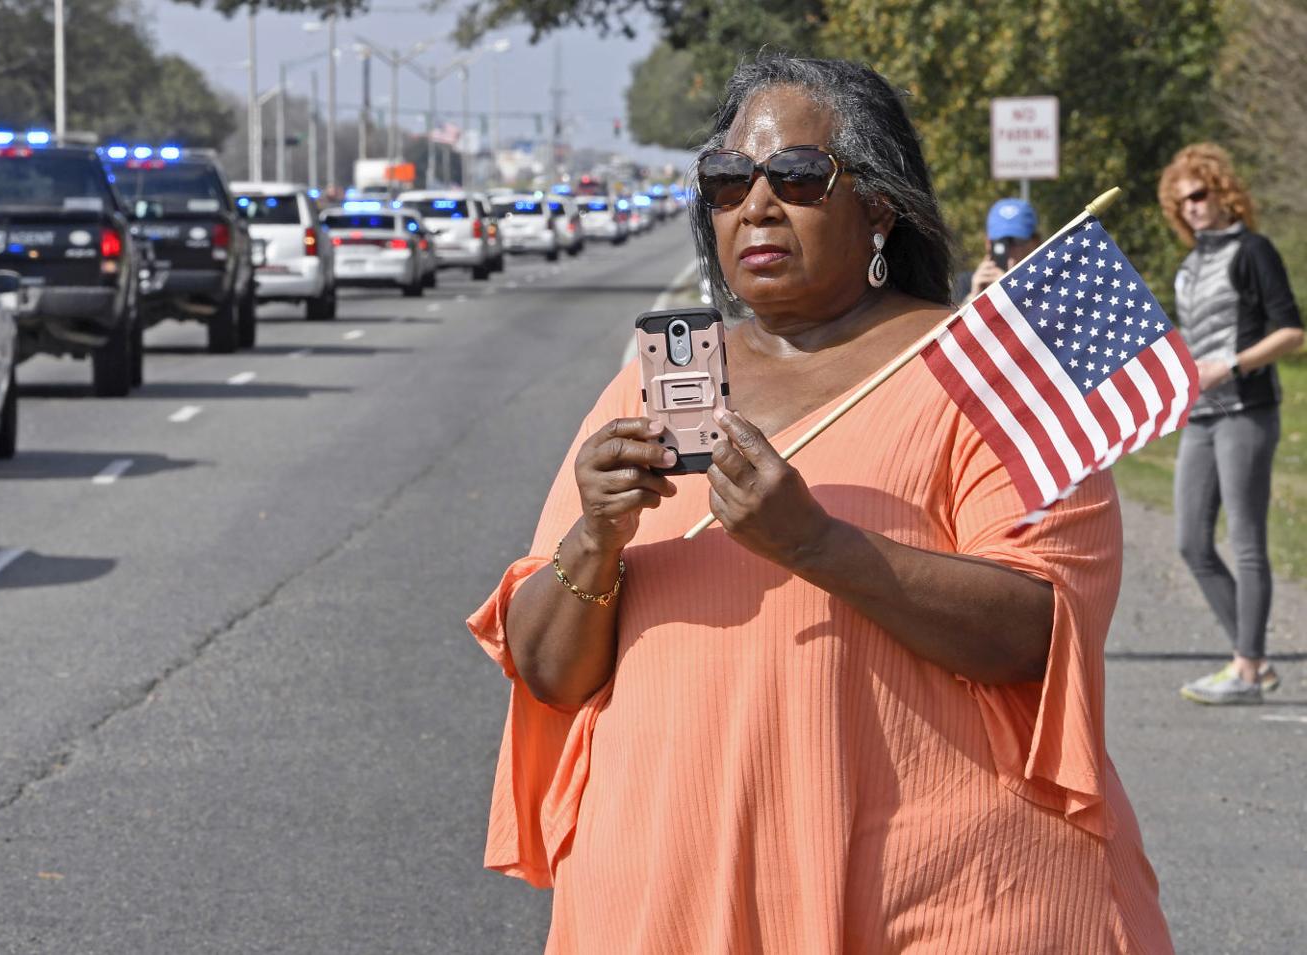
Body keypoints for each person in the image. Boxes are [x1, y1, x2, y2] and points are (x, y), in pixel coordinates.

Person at [467, 53, 1171, 953]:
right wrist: (598, 535)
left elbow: (1039, 630)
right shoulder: (658, 385)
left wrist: (816, 543)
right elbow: (547, 670)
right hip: (665, 898)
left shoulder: (992, 371)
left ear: (877, 205)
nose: (756, 205)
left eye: (797, 177)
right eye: (726, 181)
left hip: (939, 897)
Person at [1159, 143, 1304, 706]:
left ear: (1222, 192)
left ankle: (1246, 667)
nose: (1191, 208)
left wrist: (1235, 364)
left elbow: (1292, 332)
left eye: (1198, 195)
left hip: (1248, 411)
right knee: (1191, 542)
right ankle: (1254, 659)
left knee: (1246, 542)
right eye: (1180, 201)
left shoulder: (1253, 250)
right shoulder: (1189, 266)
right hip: (1198, 417)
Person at [952, 196, 1041, 304]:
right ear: (988, 243)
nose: (1009, 249)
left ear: (1035, 242)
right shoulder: (966, 283)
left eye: (1016, 241)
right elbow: (949, 320)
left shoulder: (1046, 283)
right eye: (1000, 242)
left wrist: (1013, 290)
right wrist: (973, 299)